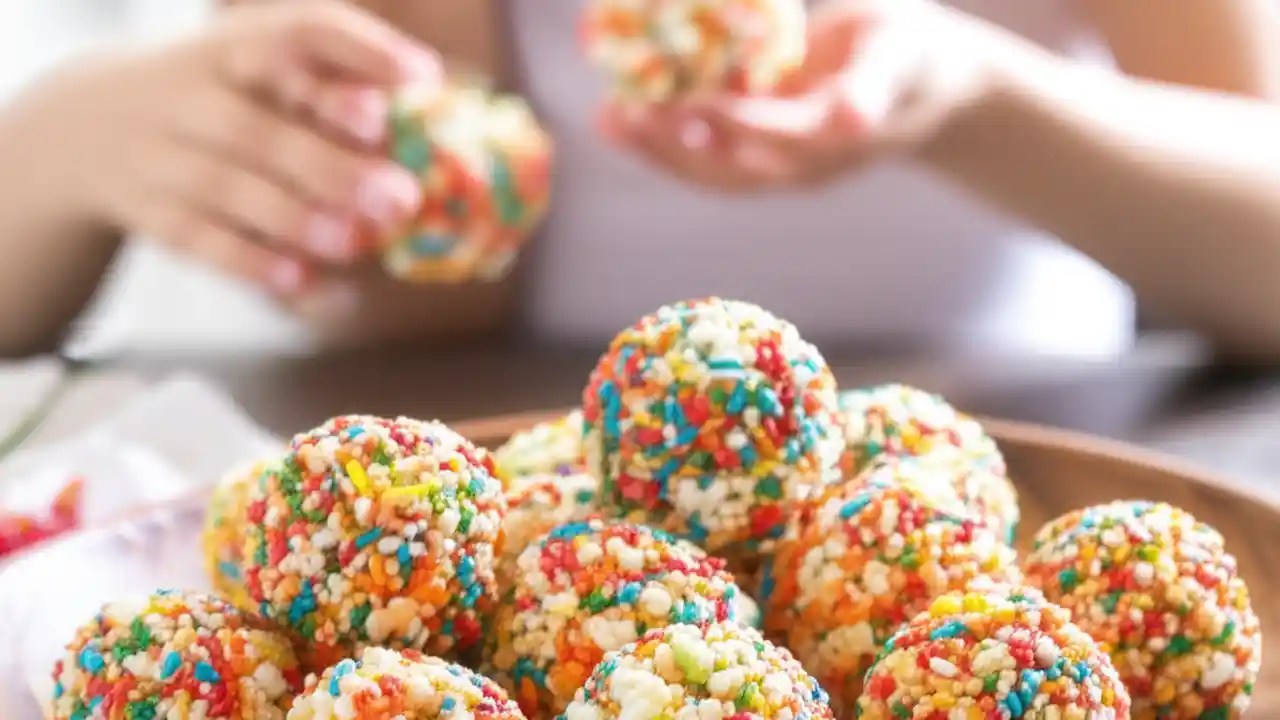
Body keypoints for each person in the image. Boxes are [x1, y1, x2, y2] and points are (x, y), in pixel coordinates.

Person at [1, 0, 1279, 360]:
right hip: (534, 508)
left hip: (1029, 468)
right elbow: (411, 301)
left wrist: (976, 99)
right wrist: (67, 143)